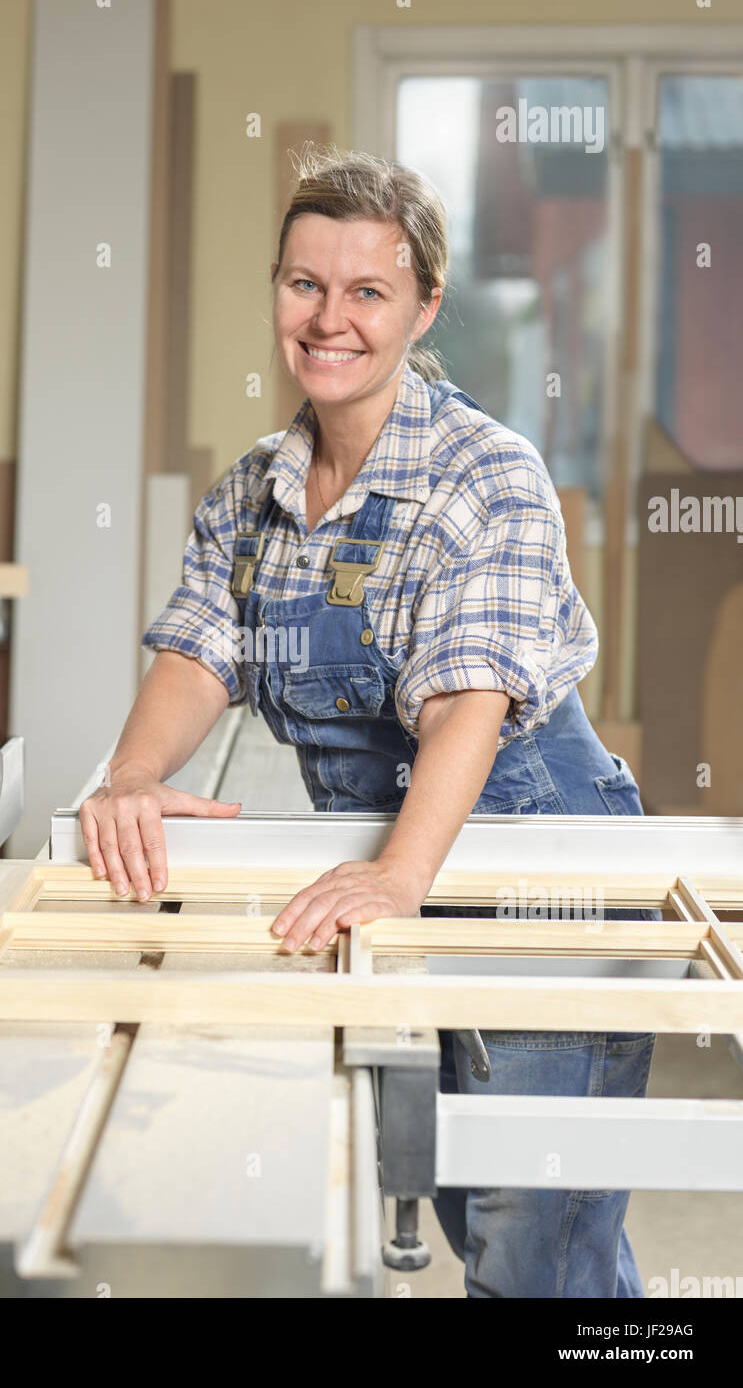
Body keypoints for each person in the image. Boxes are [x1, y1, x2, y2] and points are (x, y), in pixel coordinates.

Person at [79, 145, 655, 1298]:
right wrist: (131, 776)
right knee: (451, 1181)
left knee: (530, 1233)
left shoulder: (486, 475)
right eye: (305, 284)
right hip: (391, 869)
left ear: (424, 305)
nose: (329, 319)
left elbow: (466, 707)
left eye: (367, 292)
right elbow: (202, 648)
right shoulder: (254, 489)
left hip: (536, 874)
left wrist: (399, 877)